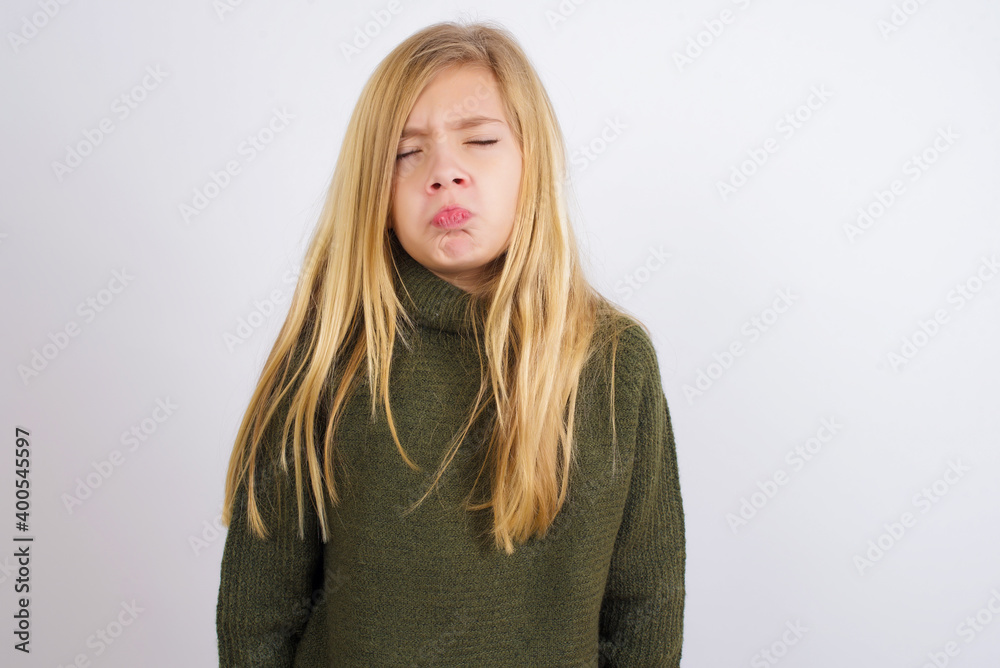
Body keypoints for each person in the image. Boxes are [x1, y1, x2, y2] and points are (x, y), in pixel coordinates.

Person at [216, 19, 685, 667]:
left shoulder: (611, 360)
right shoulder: (329, 350)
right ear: (374, 191)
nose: (445, 173)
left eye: (482, 140)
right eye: (407, 153)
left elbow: (644, 608)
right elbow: (259, 608)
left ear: (533, 162)